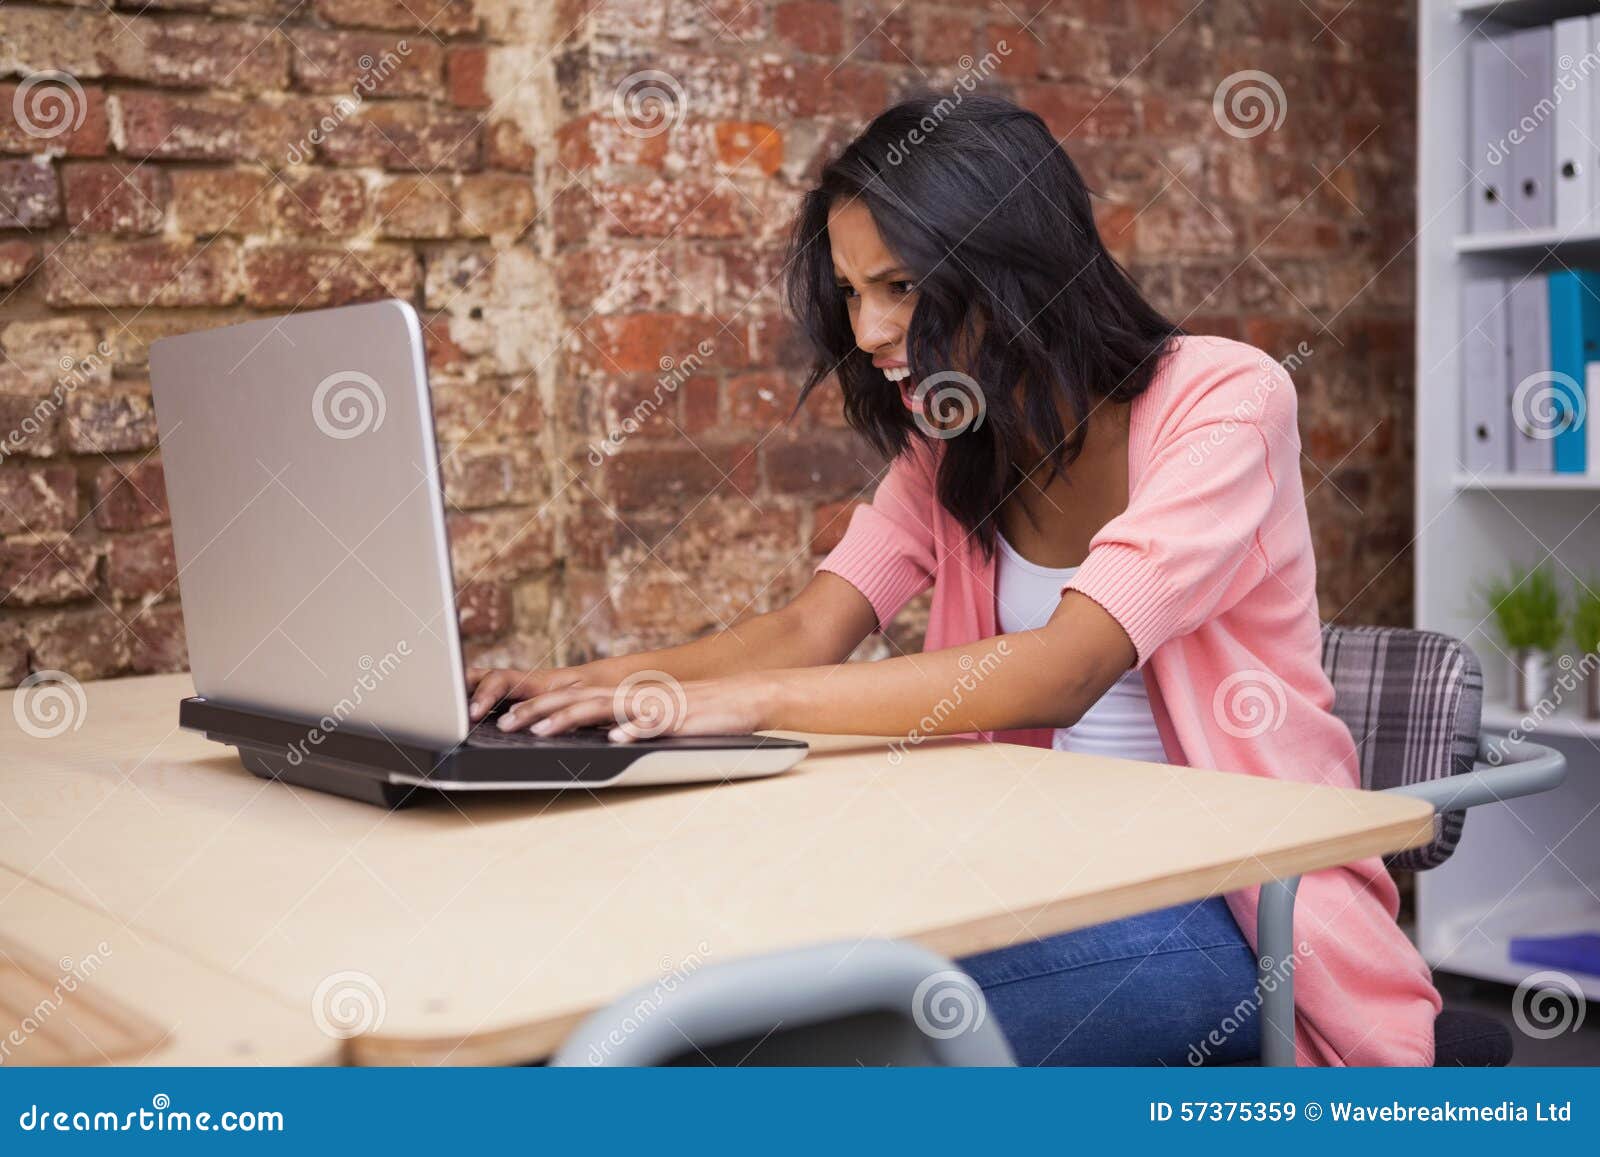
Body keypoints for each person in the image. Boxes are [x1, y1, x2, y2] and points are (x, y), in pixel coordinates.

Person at [465, 93, 1440, 1066]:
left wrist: (740, 702)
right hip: (1013, 879)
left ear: (1014, 271)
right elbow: (811, 626)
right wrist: (611, 681)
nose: (870, 328)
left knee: (808, 1039)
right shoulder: (953, 439)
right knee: (699, 970)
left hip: (1233, 909)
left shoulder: (1225, 400)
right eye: (851, 291)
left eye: (901, 286)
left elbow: (1068, 663)